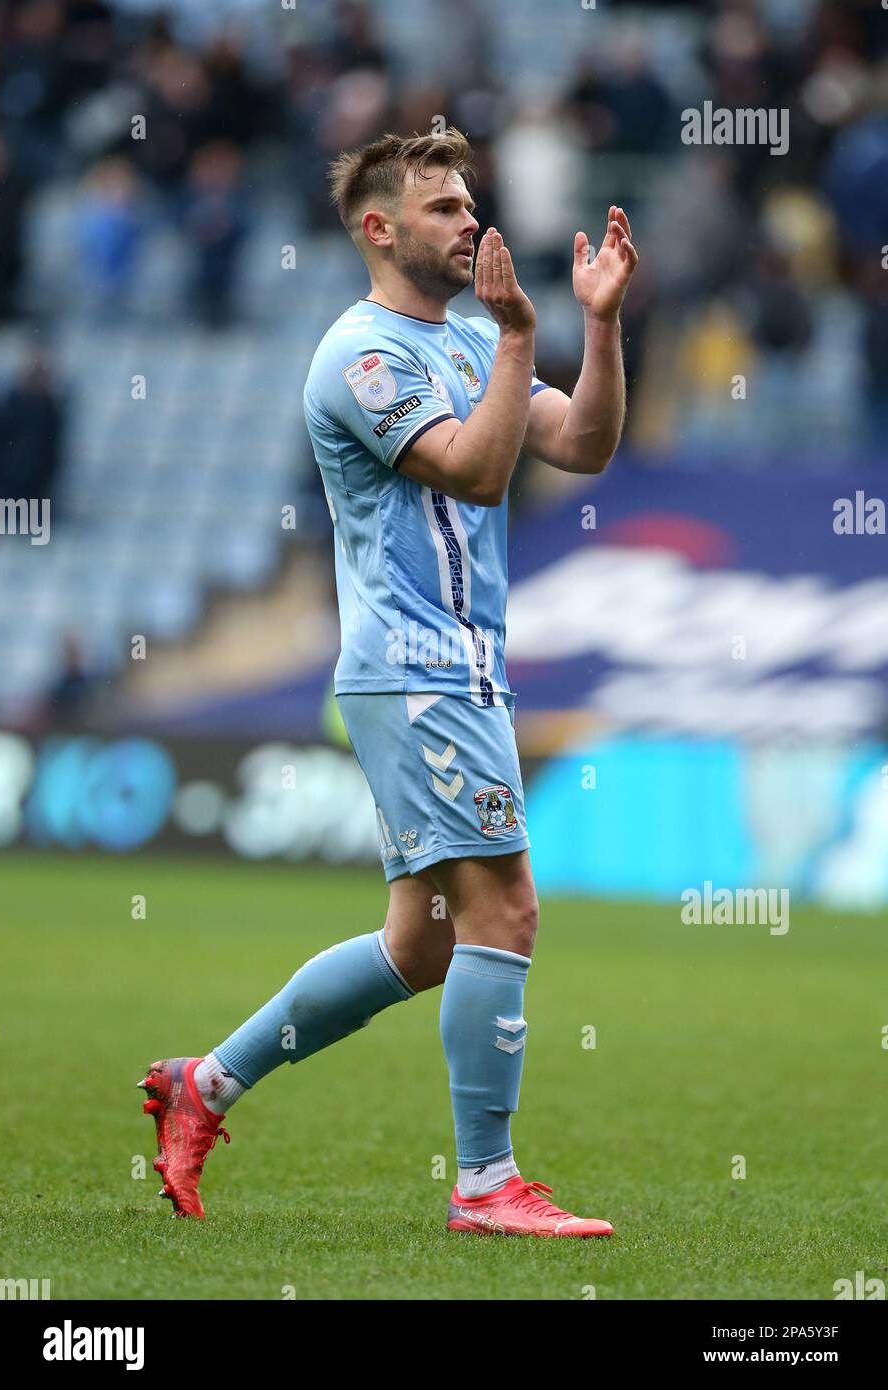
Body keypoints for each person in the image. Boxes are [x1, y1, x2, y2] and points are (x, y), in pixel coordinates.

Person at [137, 128, 637, 1236]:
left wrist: (595, 322)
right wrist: (516, 338)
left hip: (457, 671)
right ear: (380, 227)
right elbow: (475, 466)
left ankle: (201, 1084)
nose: (470, 222)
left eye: (470, 204)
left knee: (423, 942)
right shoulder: (360, 357)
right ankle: (485, 1183)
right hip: (416, 673)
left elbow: (586, 445)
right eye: (445, 208)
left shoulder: (467, 339)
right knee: (504, 907)